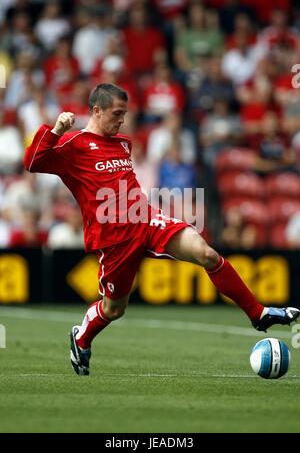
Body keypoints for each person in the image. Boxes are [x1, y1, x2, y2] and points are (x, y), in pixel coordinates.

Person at [24, 83, 299, 376]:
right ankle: (82, 337)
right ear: (97, 111)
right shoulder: (74, 145)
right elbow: (32, 162)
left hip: (145, 219)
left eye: (125, 114)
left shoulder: (123, 143)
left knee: (206, 253)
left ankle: (258, 313)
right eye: (117, 113)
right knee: (114, 309)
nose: (122, 120)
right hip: (113, 238)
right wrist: (55, 130)